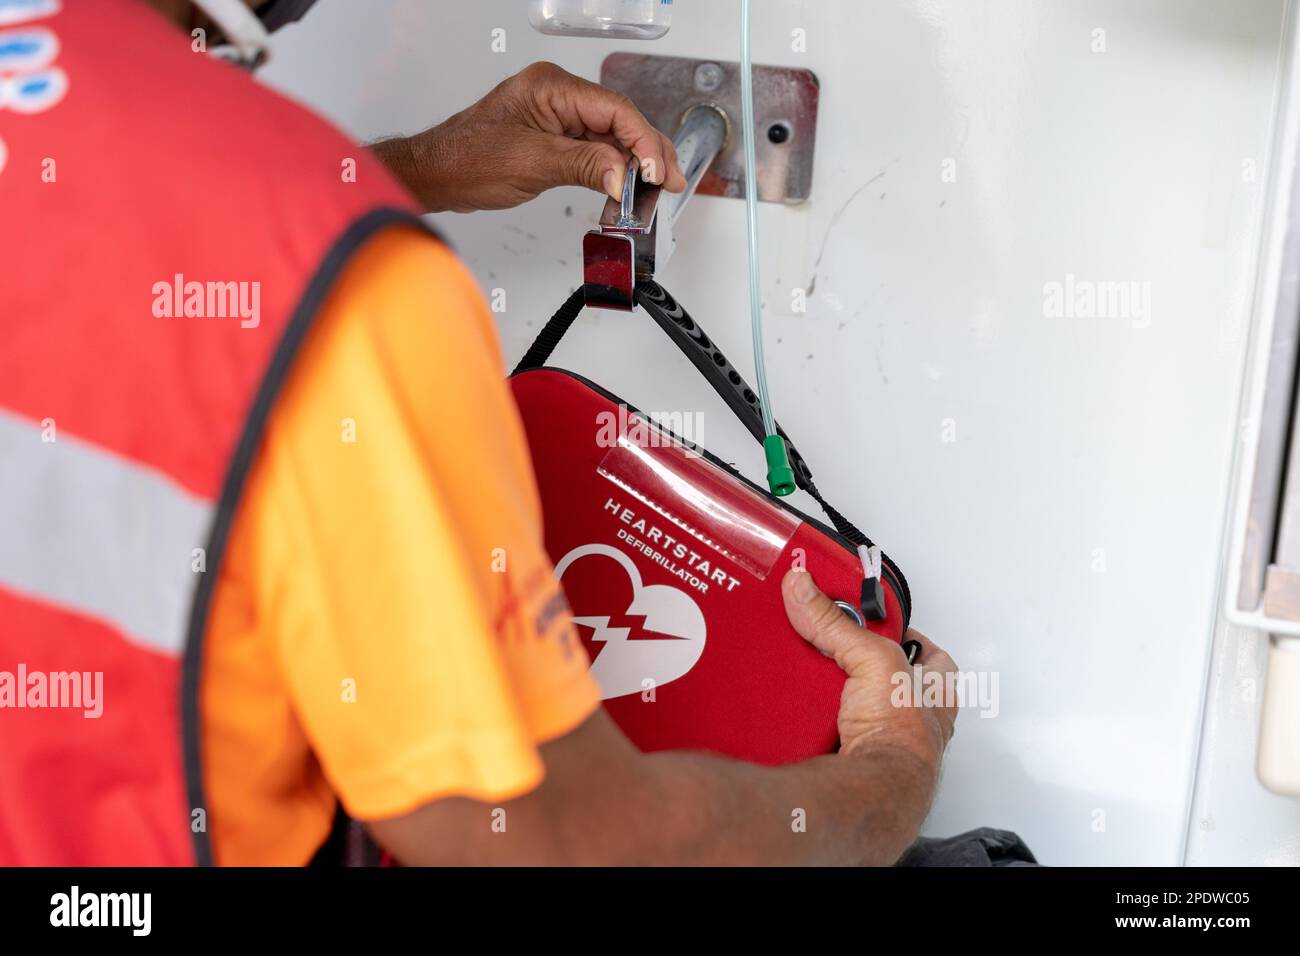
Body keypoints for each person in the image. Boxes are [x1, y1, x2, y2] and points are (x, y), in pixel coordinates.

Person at [0, 0, 956, 866]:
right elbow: (545, 847)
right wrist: (889, 772)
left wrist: (401, 173)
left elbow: (109, 223)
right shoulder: (358, 297)